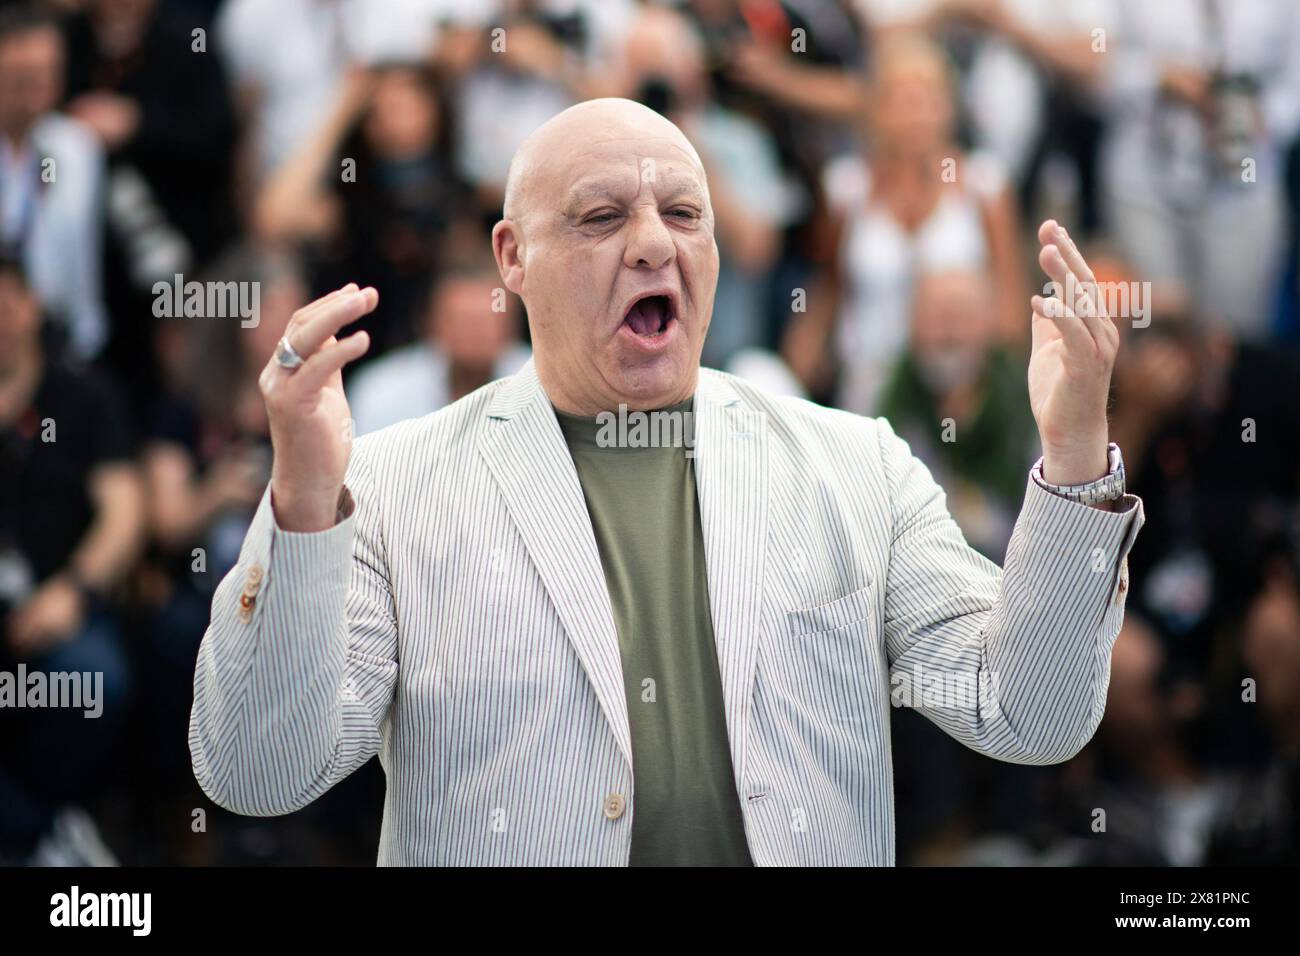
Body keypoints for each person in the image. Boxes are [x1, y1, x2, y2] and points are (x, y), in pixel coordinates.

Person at [190, 98, 1143, 866]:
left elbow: (1032, 711)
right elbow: (258, 773)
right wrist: (307, 507)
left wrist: (1071, 462)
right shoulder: (391, 487)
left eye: (684, 214)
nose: (654, 244)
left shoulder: (856, 463)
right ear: (512, 258)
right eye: (603, 217)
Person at [0, 252, 144, 865]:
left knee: (95, 683)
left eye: (6, 304)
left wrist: (74, 590)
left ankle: (39, 829)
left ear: (33, 308)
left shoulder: (82, 396)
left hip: (61, 601)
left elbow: (125, 510)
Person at [0, 4, 106, 360]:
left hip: (56, 341)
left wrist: (84, 336)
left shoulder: (78, 148)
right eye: (22, 77)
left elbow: (82, 260)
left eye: (48, 74)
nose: (37, 90)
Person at [347, 250, 529, 436]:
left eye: (485, 322)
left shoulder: (544, 387)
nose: (474, 334)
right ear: (430, 323)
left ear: (512, 326)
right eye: (462, 321)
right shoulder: (380, 392)